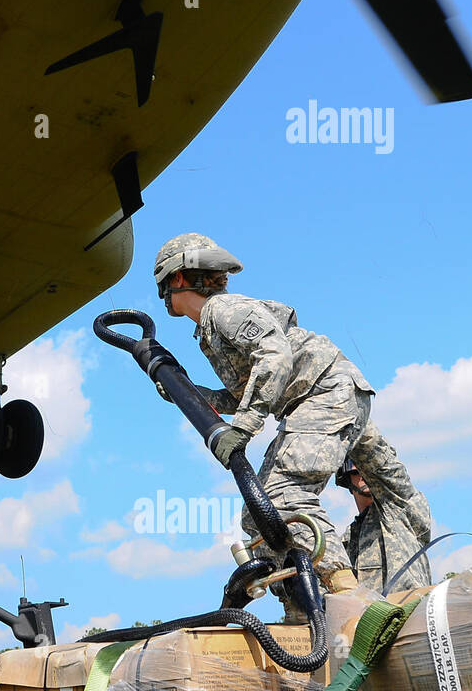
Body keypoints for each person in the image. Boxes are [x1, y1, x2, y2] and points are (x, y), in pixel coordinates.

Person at [151, 233, 420, 616]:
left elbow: (274, 356)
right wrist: (195, 394)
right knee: (389, 496)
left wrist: (243, 428)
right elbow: (250, 388)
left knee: (277, 499)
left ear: (176, 279)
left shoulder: (223, 310)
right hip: (333, 396)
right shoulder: (214, 326)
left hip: (323, 395)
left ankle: (350, 600)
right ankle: (306, 602)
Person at [337, 458, 432, 593]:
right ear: (347, 480)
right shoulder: (345, 543)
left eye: (369, 469)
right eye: (356, 471)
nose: (364, 473)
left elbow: (383, 460)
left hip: (409, 608)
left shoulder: (401, 511)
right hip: (368, 612)